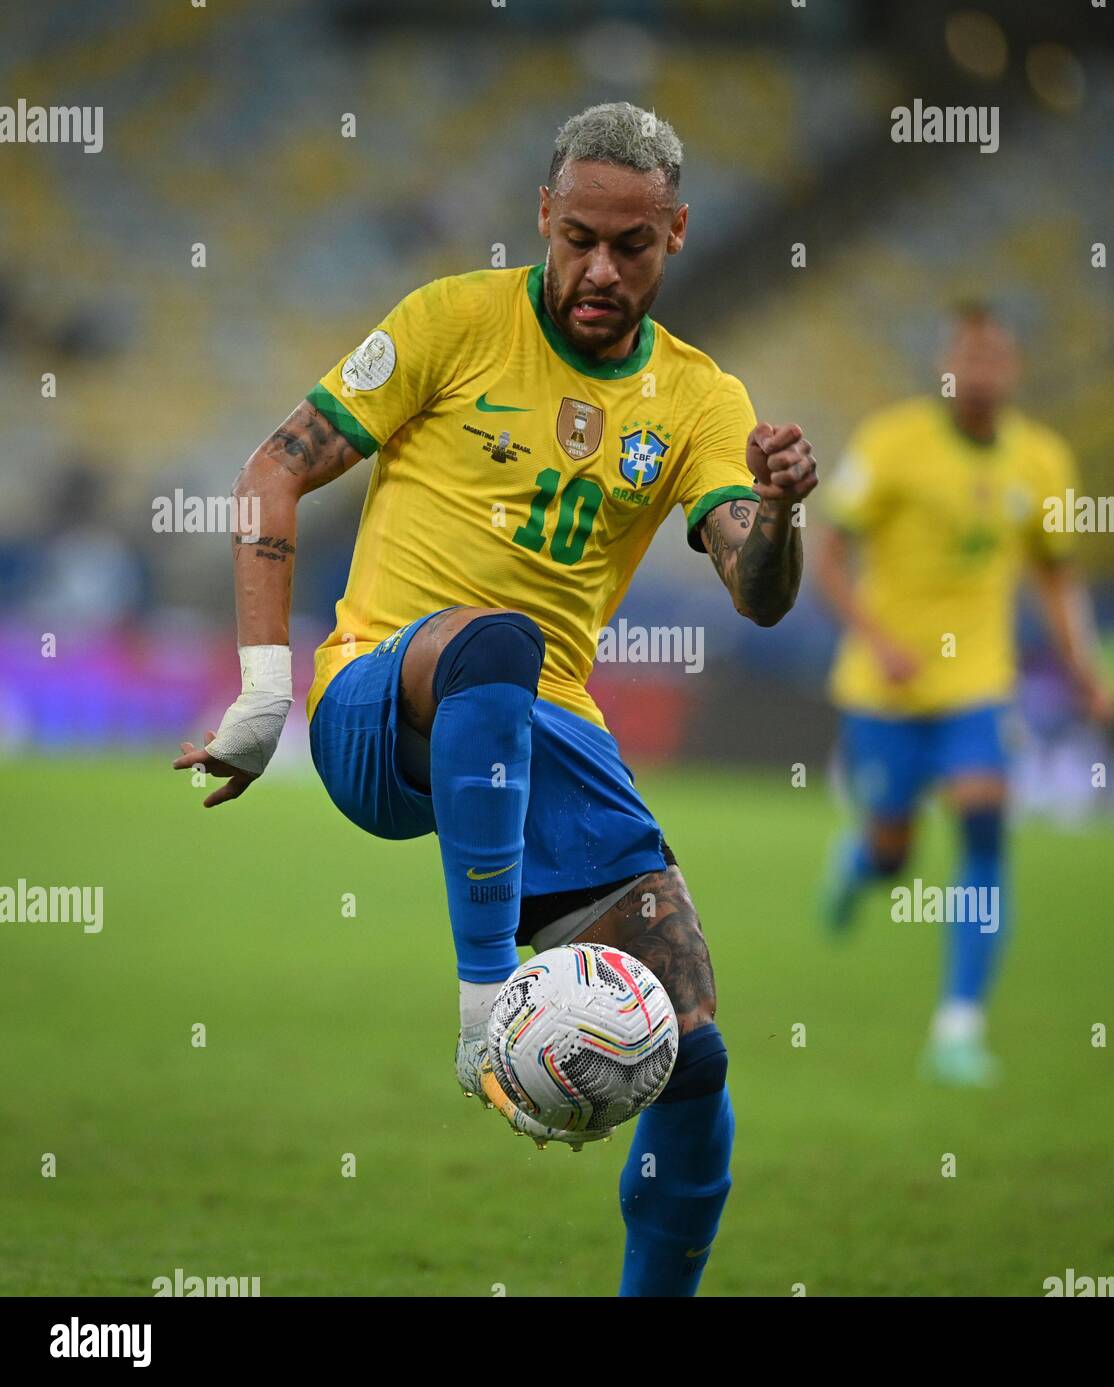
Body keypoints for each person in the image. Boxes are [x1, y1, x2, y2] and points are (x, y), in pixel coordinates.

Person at [173, 102, 817, 1296]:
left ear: (675, 234)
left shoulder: (698, 402)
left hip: (545, 730)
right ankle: (483, 1013)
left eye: (631, 246)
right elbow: (275, 464)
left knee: (693, 1052)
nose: (599, 269)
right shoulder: (450, 321)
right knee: (494, 643)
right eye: (578, 237)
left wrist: (776, 513)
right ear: (541, 216)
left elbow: (759, 591)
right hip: (381, 695)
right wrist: (263, 698)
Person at [814, 303, 1111, 1086]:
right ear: (946, 367)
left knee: (984, 821)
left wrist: (1084, 662)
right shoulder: (891, 443)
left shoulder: (1042, 459)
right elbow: (830, 557)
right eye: (968, 359)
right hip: (884, 688)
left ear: (1012, 372)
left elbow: (1054, 569)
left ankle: (958, 1025)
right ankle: (861, 861)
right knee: (892, 851)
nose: (980, 374)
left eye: (995, 360)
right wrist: (878, 640)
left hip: (979, 683)